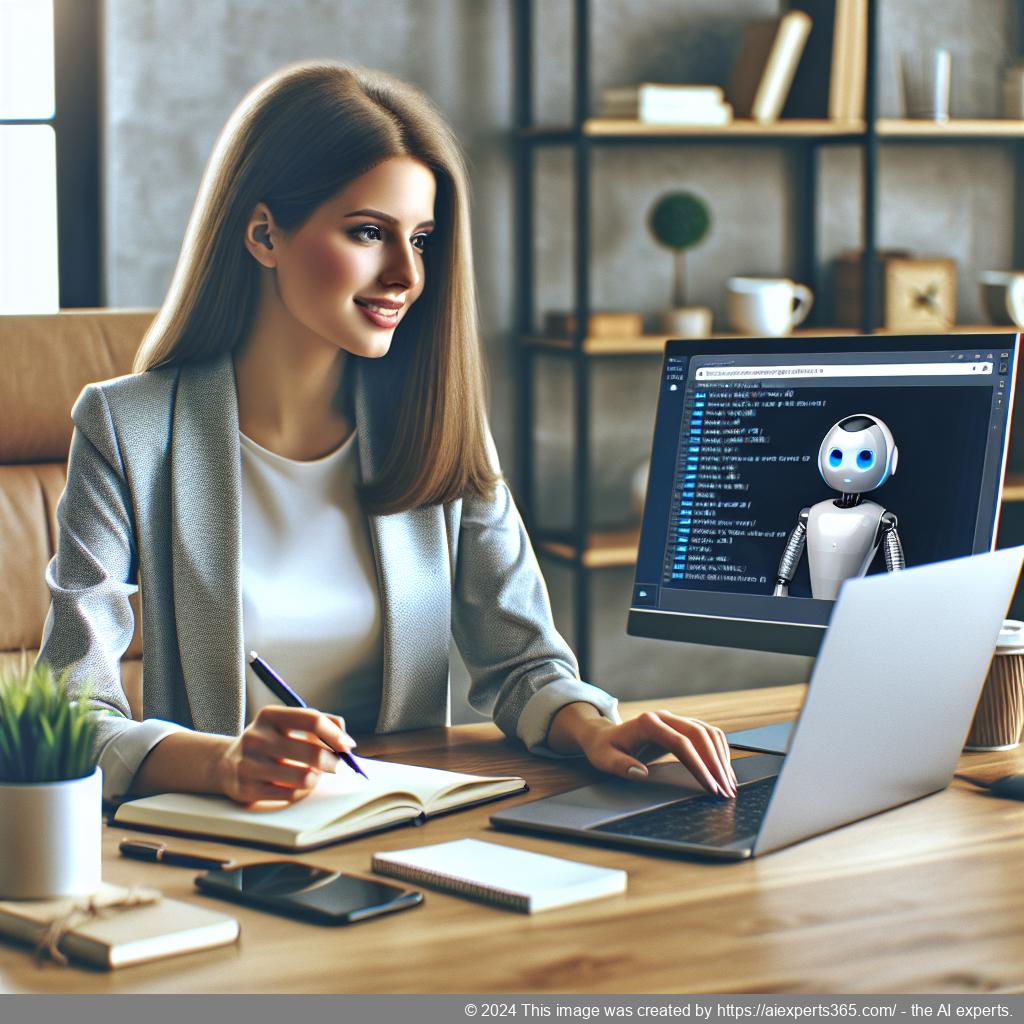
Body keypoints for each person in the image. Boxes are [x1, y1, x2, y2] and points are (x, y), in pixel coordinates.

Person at [38, 60, 737, 806]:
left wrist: (593, 727)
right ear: (264, 233)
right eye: (369, 232)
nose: (406, 273)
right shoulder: (128, 429)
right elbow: (69, 714)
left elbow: (524, 665)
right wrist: (223, 762)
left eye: (424, 239)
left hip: (403, 829)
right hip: (223, 846)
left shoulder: (435, 422)